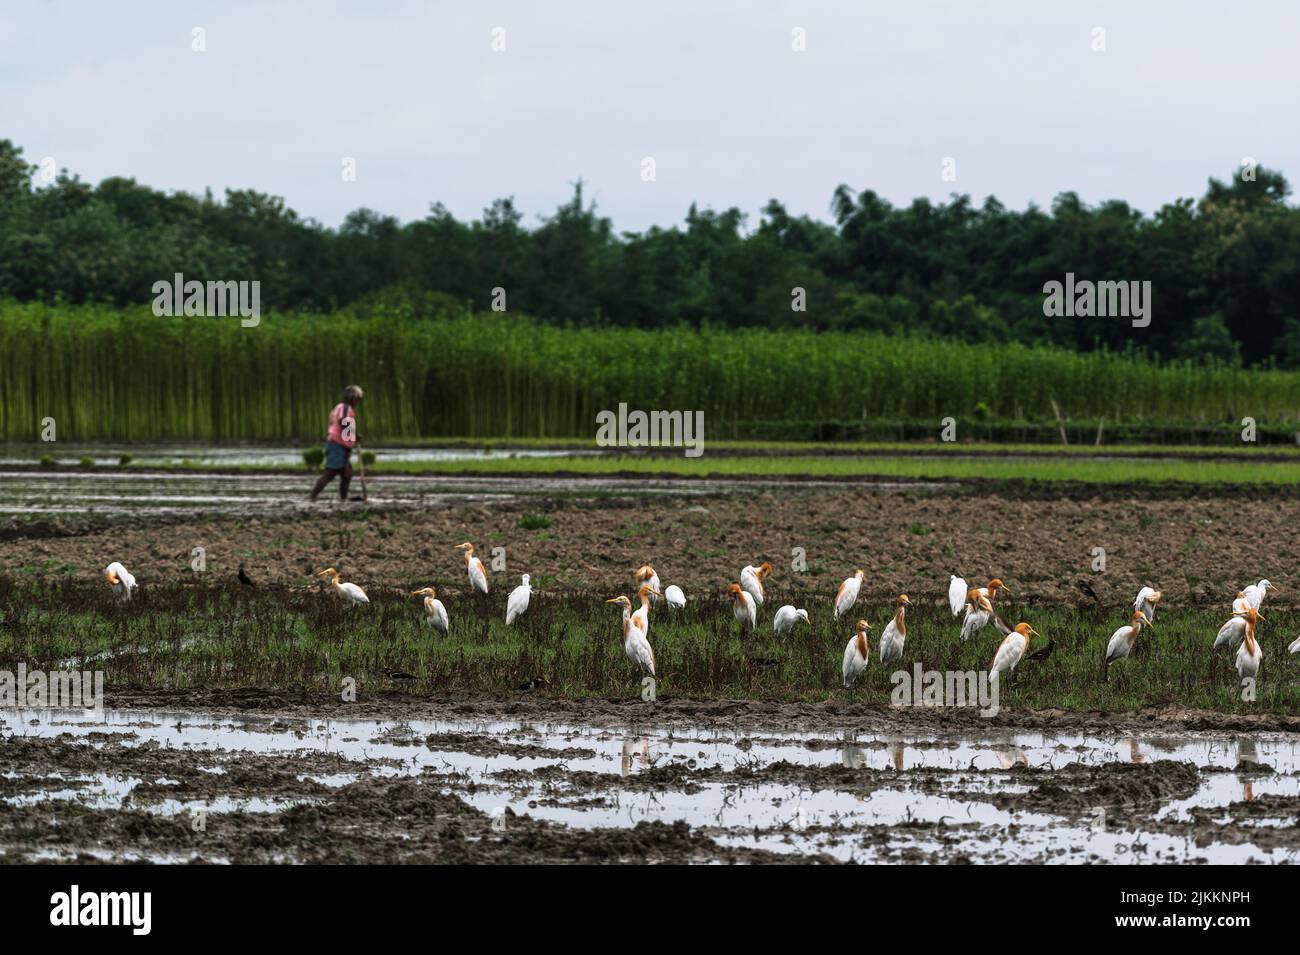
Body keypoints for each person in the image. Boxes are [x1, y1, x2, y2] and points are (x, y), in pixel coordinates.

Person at [310, 385, 363, 501]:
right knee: (330, 473)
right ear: (353, 398)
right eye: (358, 399)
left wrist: (353, 436)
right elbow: (343, 422)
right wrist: (353, 435)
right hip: (337, 445)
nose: (357, 403)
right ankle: (312, 497)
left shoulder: (338, 407)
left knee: (346, 475)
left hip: (338, 445)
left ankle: (343, 499)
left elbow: (341, 426)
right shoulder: (345, 408)